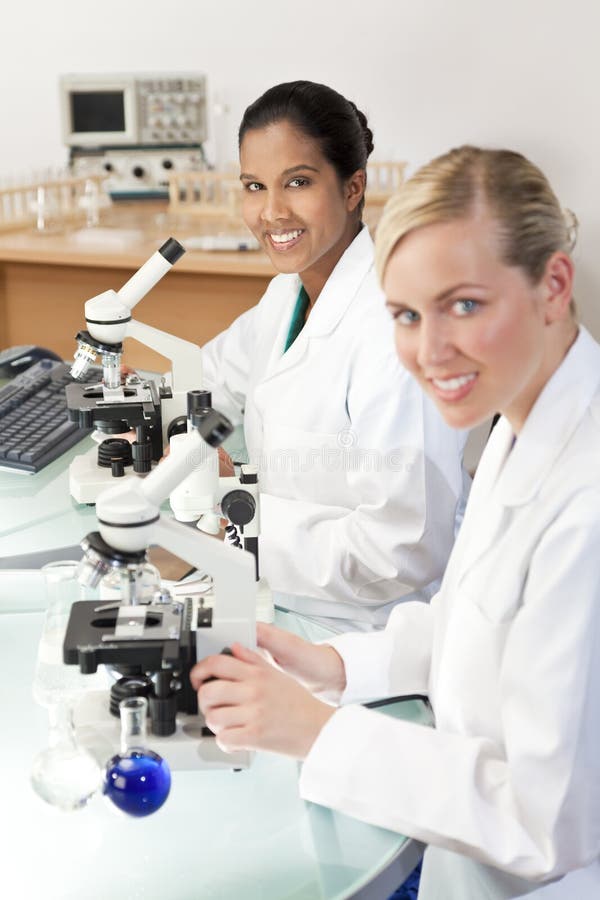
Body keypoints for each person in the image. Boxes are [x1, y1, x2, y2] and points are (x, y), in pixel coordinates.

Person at [191, 146, 600, 898]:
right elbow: (474, 620)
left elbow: (550, 824)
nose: (427, 352)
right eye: (406, 317)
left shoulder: (586, 507)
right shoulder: (521, 417)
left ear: (553, 285)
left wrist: (312, 731)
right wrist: (340, 666)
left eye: (465, 306)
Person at [201, 80, 467, 631]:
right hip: (275, 598)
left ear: (352, 189)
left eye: (297, 182)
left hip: (368, 631)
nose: (271, 212)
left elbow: (400, 550)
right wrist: (157, 418)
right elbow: (212, 385)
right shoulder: (287, 293)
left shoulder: (394, 329)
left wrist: (228, 514)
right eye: (254, 185)